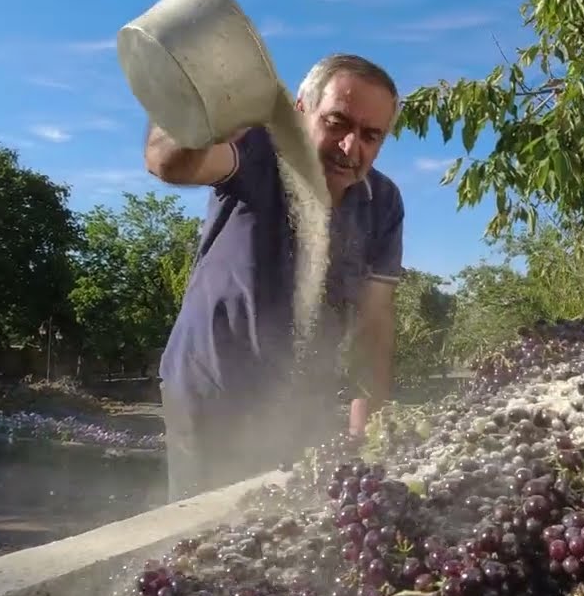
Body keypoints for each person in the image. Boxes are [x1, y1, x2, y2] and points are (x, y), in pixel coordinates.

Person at [144, 53, 404, 501]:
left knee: (289, 528)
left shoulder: (382, 203)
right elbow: (168, 162)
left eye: (370, 135)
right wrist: (203, 114)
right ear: (301, 111)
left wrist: (369, 427)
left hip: (300, 405)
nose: (350, 147)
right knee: (202, 534)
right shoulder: (259, 150)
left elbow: (374, 323)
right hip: (210, 388)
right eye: (337, 123)